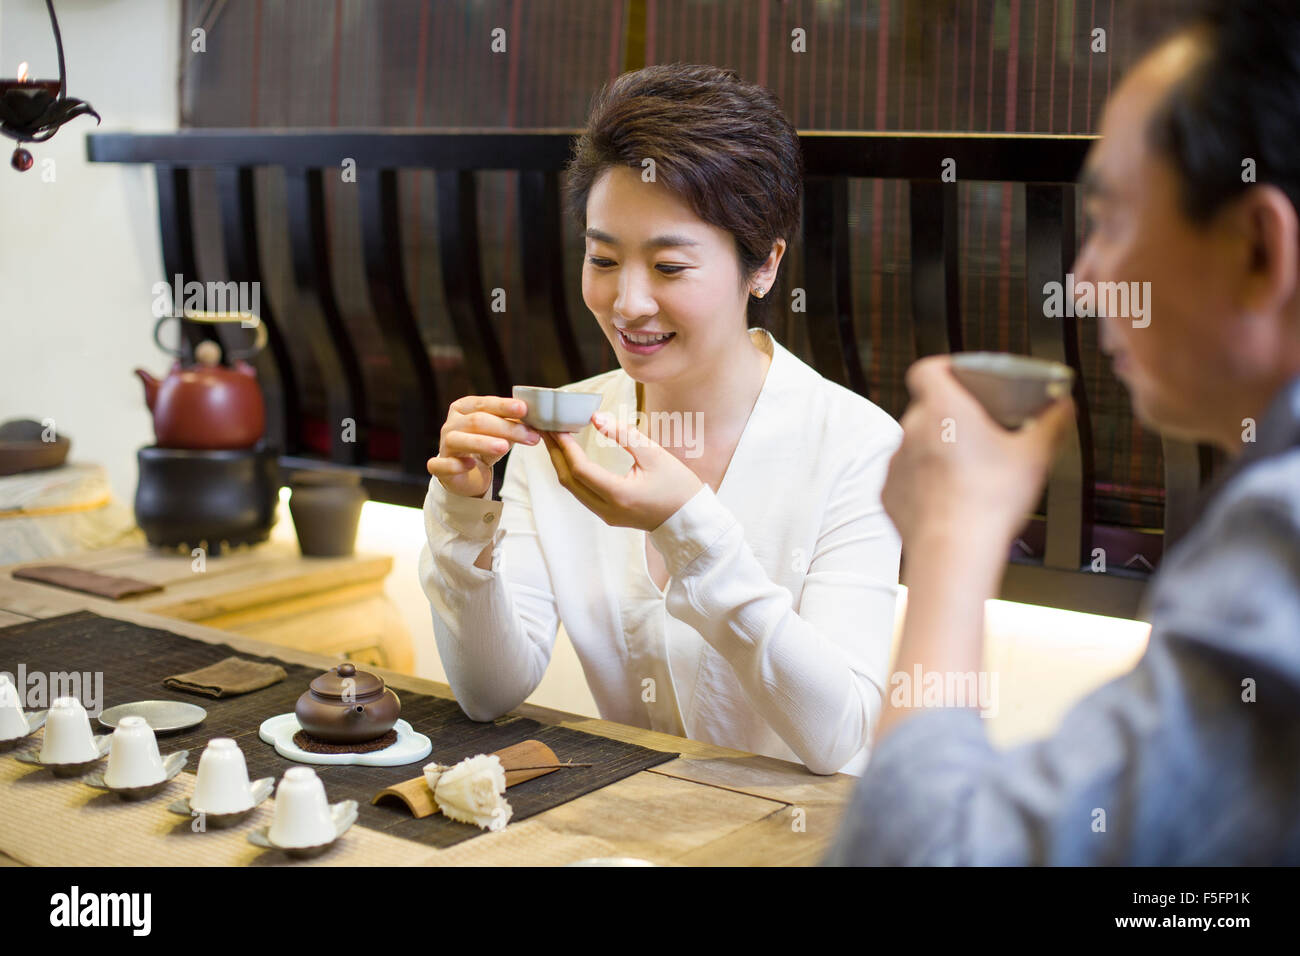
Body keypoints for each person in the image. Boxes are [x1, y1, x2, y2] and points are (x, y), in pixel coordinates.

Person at [826, 0, 1300, 864]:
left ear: (1260, 248)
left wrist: (953, 536)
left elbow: (920, 853)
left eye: (1112, 219)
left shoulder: (1286, 533)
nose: (1082, 284)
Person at [419, 64, 903, 775]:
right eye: (602, 259)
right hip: (634, 830)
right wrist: (462, 514)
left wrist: (690, 528)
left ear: (763, 265)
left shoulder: (857, 446)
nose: (628, 303)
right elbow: (490, 693)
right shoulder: (566, 430)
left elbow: (836, 738)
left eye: (670, 268)